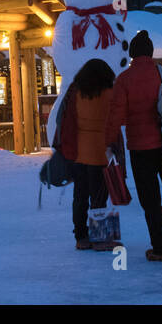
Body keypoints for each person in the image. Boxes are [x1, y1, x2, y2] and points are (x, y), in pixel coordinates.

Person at [105, 30, 162, 262]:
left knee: (151, 200)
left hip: (140, 147)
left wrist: (109, 141)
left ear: (132, 53)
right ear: (151, 52)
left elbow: (116, 116)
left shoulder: (125, 79)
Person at [59, 58, 121, 249]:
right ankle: (101, 237)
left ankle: (81, 237)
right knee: (99, 195)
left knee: (80, 196)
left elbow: (67, 119)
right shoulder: (110, 93)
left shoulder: (76, 91)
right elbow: (115, 120)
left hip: (79, 151)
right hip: (101, 150)